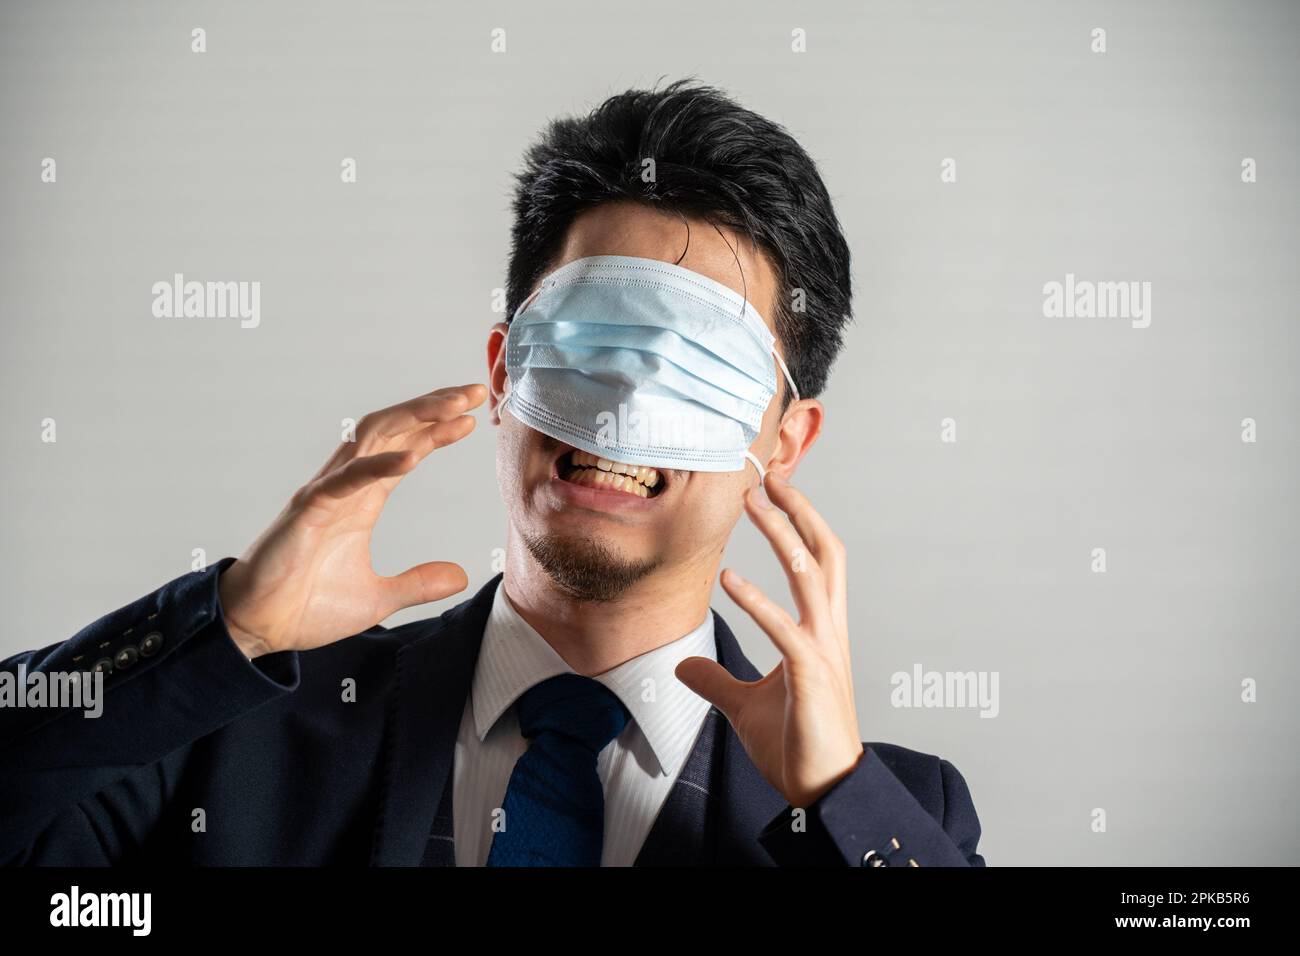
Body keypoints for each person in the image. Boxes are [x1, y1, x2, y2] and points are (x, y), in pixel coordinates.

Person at [0, 79, 984, 867]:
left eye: (698, 365)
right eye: (588, 339)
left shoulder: (893, 813)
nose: (622, 407)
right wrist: (224, 633)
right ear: (504, 370)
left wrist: (840, 803)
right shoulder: (225, 728)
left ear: (783, 438)